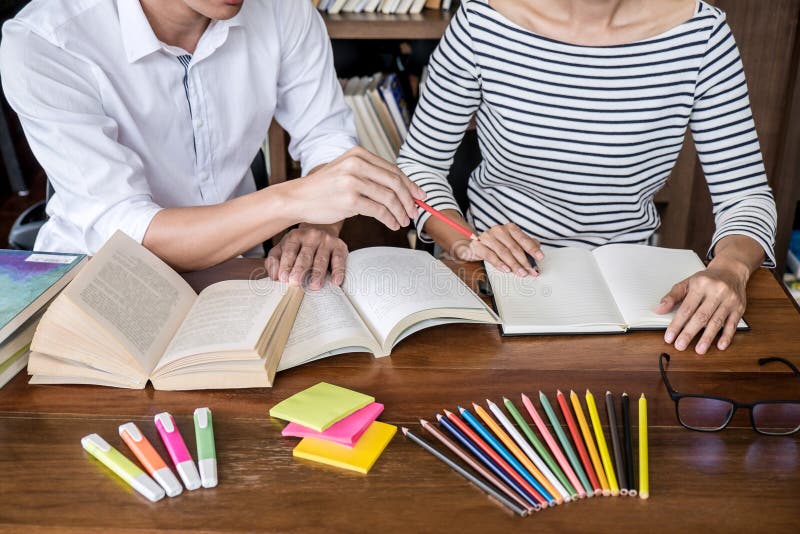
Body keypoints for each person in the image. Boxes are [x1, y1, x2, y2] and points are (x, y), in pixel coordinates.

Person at [397, 0, 777, 354]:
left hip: (631, 288)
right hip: (494, 277)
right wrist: (467, 241)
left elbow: (745, 195)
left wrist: (731, 268)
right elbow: (419, 165)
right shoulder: (482, 21)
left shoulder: (701, 35)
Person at [0, 0, 424, 288]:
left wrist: (320, 226)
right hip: (104, 278)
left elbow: (326, 137)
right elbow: (127, 227)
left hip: (236, 269)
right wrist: (294, 201)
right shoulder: (44, 41)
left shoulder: (284, 9)